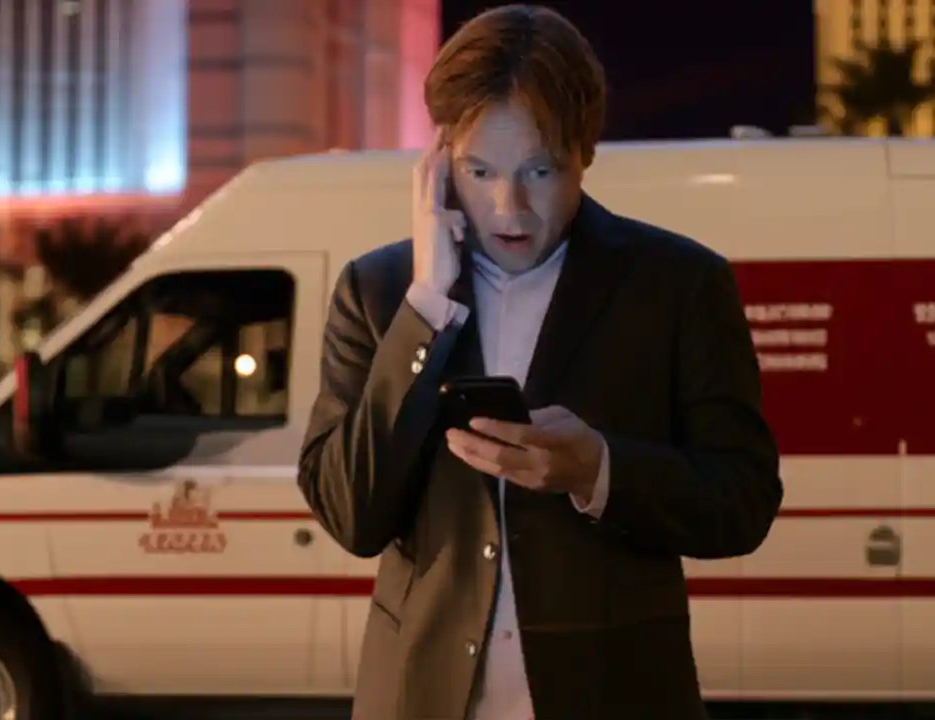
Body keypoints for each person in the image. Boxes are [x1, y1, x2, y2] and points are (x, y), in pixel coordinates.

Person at [297, 4, 783, 719]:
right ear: (439, 164)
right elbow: (350, 516)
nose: (510, 206)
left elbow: (743, 502)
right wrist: (426, 305)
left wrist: (598, 471)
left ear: (584, 153)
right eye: (480, 170)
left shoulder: (680, 285)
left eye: (539, 169)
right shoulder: (377, 292)